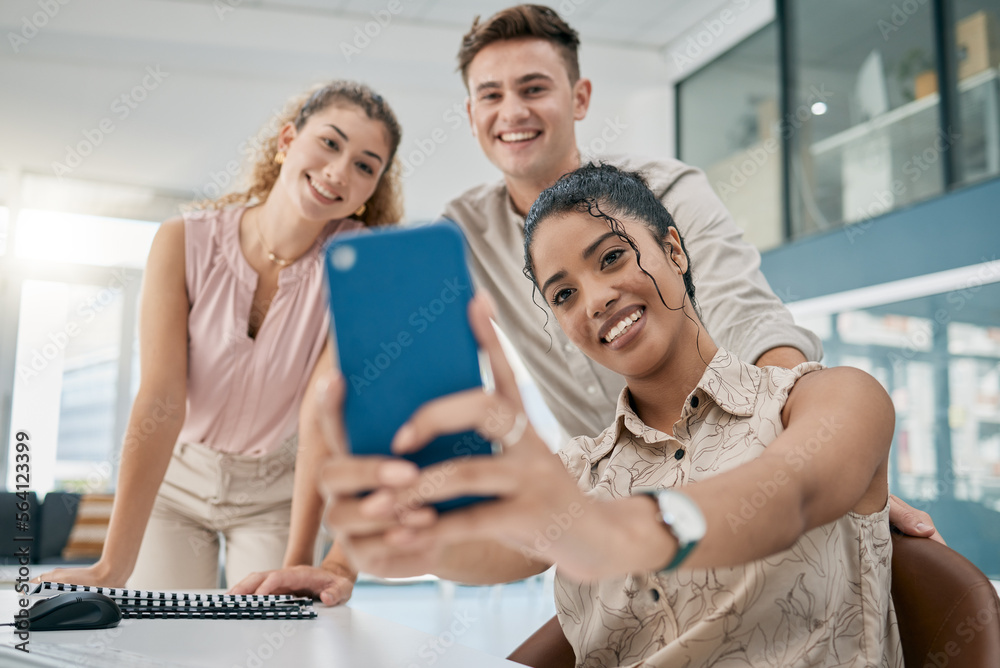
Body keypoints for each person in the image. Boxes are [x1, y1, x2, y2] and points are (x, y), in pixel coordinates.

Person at [233, 3, 941, 601]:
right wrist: (343, 558)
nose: (512, 111)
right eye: (560, 291)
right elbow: (358, 383)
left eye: (534, 88)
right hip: (617, 487)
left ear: (578, 99)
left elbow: (750, 318)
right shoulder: (464, 237)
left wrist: (808, 443)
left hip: (724, 471)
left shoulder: (667, 194)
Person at [318, 163, 903, 667]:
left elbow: (792, 493)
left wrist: (612, 533)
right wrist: (389, 542)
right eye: (563, 295)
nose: (594, 299)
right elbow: (477, 549)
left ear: (674, 251)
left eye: (612, 257)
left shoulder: (828, 398)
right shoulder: (577, 473)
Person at [36, 81, 403, 591]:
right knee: (163, 638)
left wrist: (300, 559)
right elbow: (162, 400)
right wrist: (109, 566)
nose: (340, 171)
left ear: (371, 191)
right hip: (177, 482)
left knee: (270, 635)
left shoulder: (360, 268)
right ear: (286, 141)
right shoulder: (183, 239)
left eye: (366, 165)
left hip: (277, 491)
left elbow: (322, 412)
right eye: (330, 142)